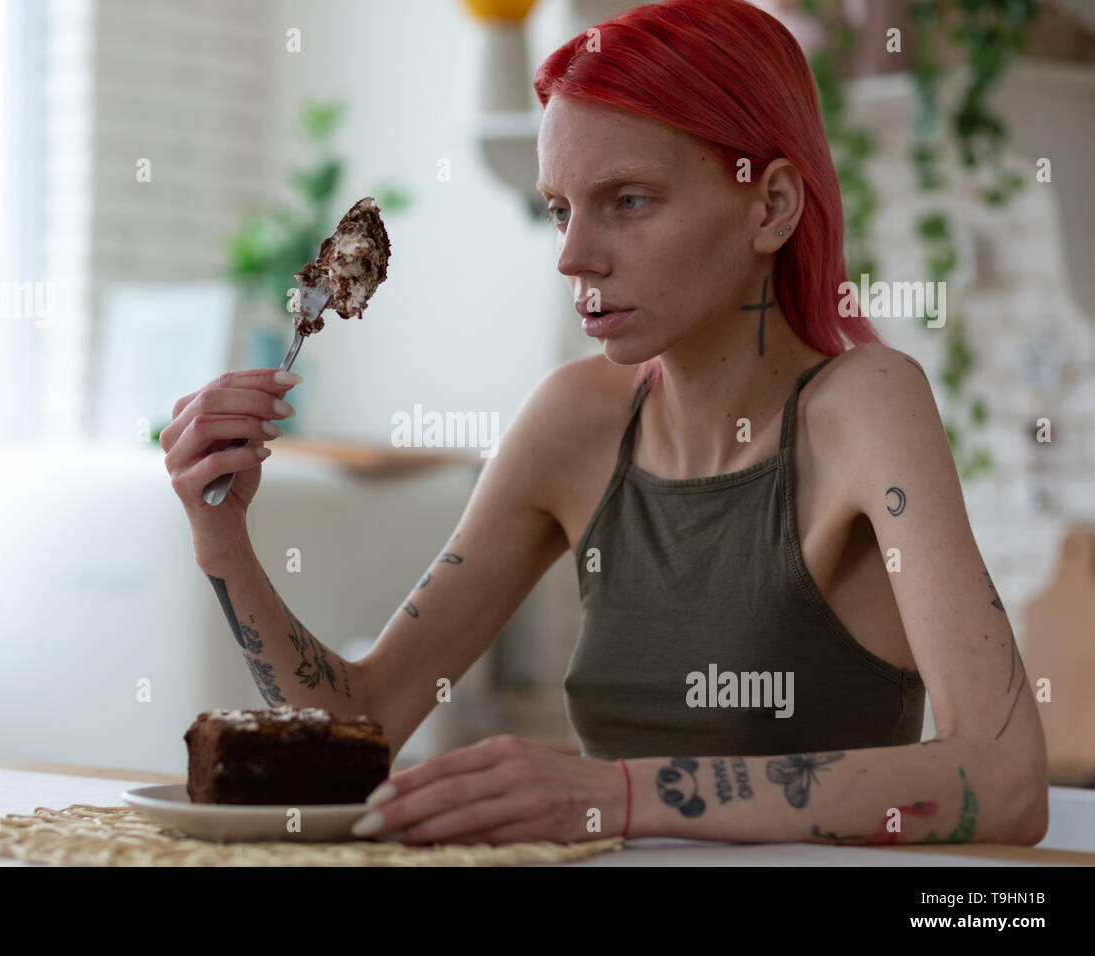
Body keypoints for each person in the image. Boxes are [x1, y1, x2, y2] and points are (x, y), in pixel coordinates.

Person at [159, 0, 1047, 847]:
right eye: (559, 208)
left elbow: (1005, 779)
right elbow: (364, 725)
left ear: (771, 205)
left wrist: (616, 794)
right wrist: (221, 540)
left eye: (628, 199)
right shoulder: (572, 418)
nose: (573, 257)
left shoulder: (866, 407)